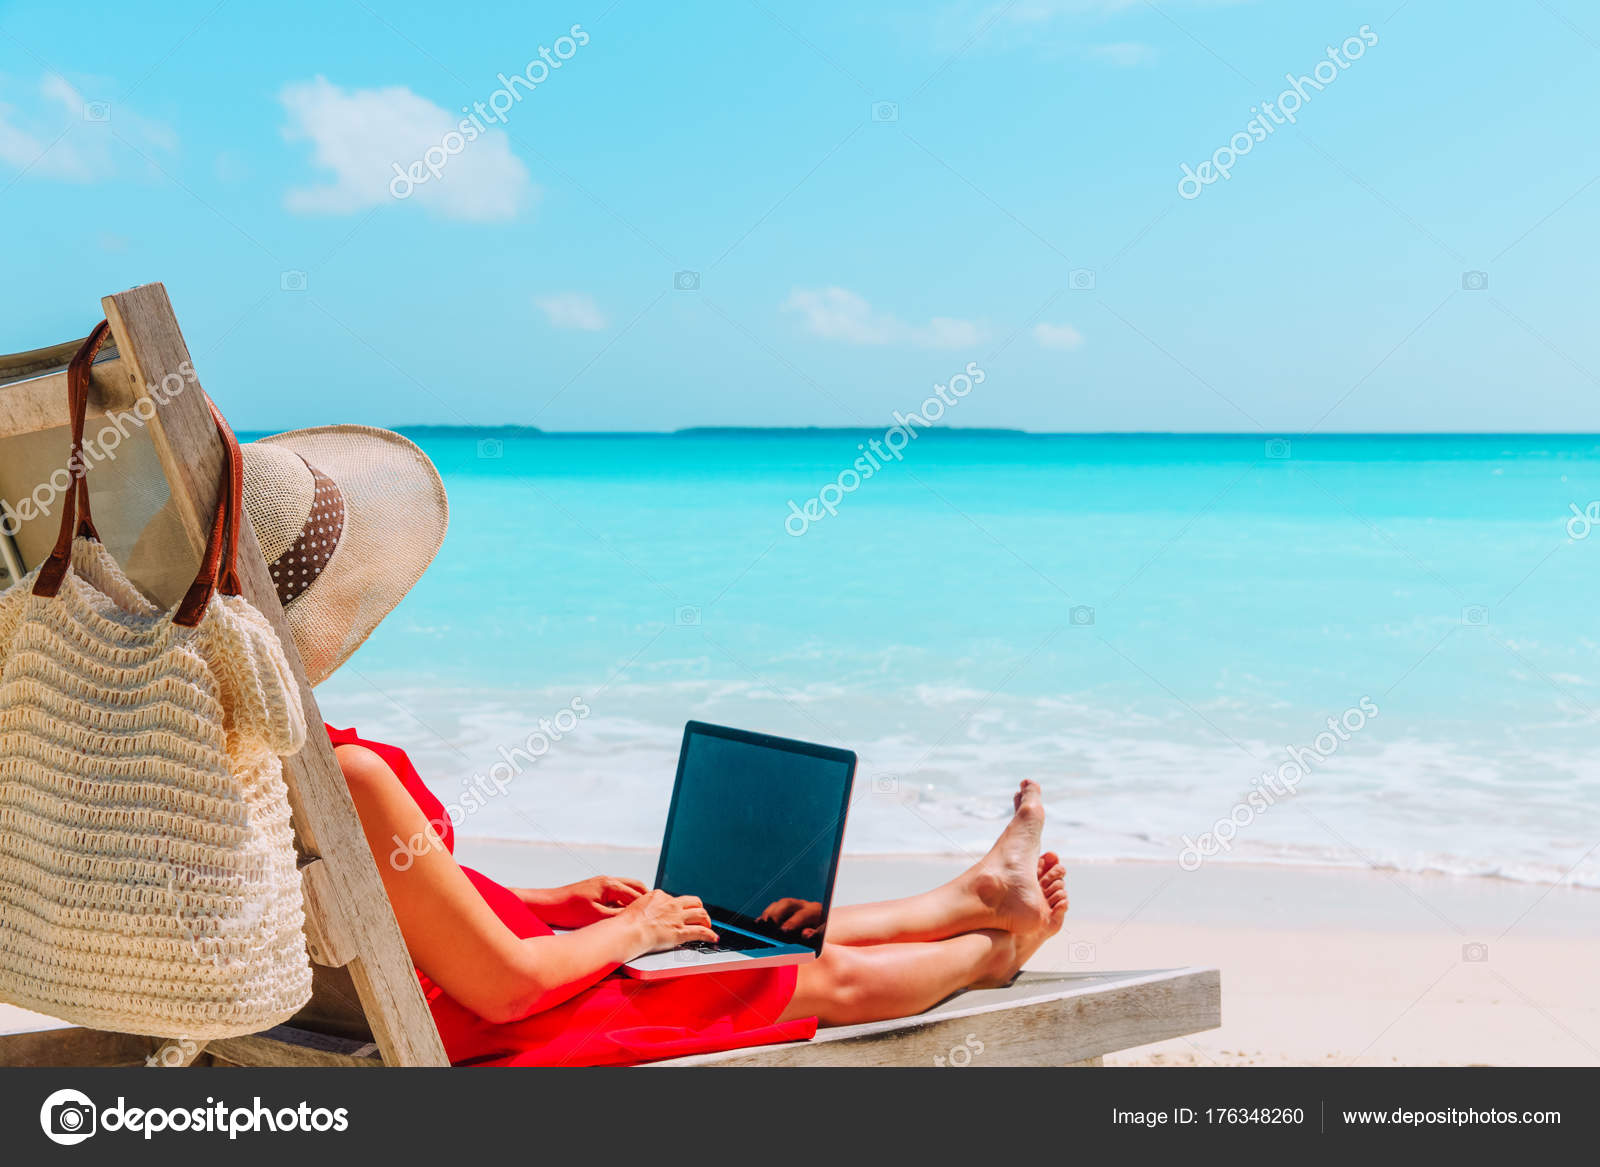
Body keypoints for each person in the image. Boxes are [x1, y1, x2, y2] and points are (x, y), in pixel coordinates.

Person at [234, 426, 1068, 1066]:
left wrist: (549, 899)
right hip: (483, 1011)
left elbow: (380, 892)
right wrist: (636, 929)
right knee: (803, 976)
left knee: (717, 929)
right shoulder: (351, 773)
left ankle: (974, 896)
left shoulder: (238, 750)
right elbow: (507, 987)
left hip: (432, 972)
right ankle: (992, 954)